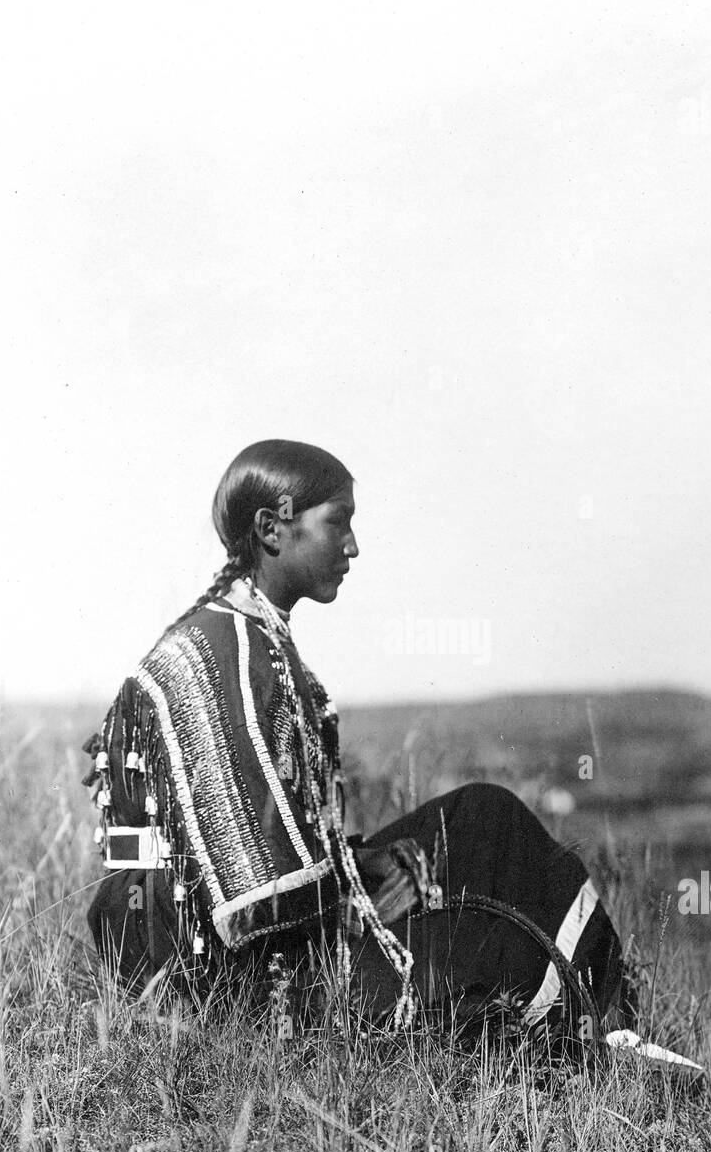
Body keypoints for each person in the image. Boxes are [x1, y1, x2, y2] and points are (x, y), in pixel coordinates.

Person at [82, 438, 635, 1043]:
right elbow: (256, 895)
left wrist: (362, 865)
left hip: (240, 920)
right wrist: (361, 886)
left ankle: (608, 1013)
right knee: (494, 949)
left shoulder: (242, 634)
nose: (352, 546)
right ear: (272, 529)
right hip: (226, 974)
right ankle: (595, 1034)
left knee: (485, 818)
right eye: (337, 523)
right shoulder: (228, 657)